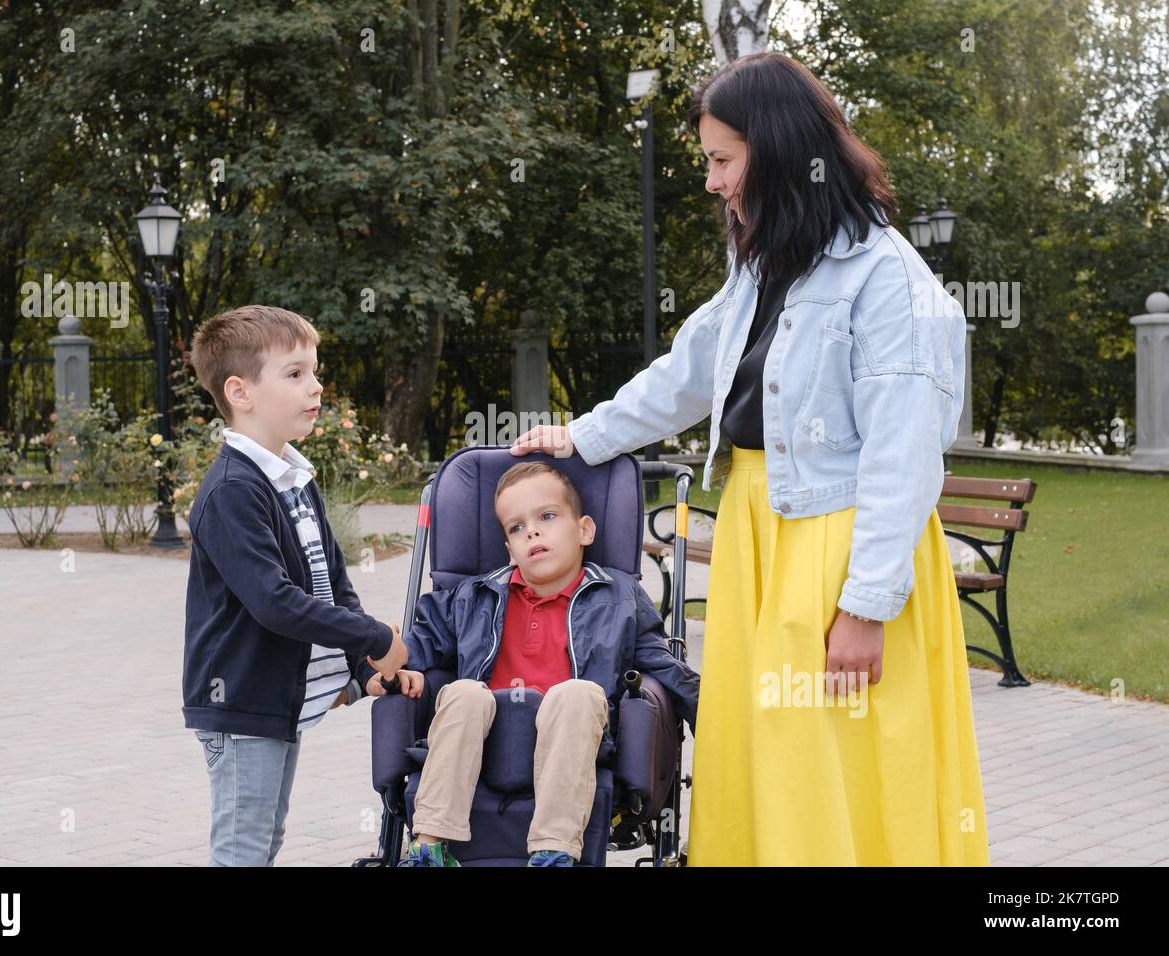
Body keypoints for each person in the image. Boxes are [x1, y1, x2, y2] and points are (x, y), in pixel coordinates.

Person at [512, 53, 989, 866]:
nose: (711, 181)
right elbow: (689, 374)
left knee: (833, 759)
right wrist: (582, 436)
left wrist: (866, 607)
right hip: (760, 535)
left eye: (722, 160)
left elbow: (904, 458)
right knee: (768, 752)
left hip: (839, 551)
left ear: (777, 151)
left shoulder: (889, 284)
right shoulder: (766, 264)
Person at [376, 460, 699, 867]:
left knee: (578, 694)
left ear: (584, 530)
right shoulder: (470, 598)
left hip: (574, 743)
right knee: (461, 692)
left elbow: (662, 664)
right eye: (516, 527)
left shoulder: (619, 596)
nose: (532, 531)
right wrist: (381, 668)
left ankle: (554, 851)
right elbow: (414, 650)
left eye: (547, 516)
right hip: (484, 743)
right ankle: (429, 846)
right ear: (509, 549)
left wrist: (713, 717)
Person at [182, 304, 407, 866]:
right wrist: (377, 637)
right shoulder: (234, 489)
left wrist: (363, 669)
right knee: (244, 850)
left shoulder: (294, 479)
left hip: (272, 698)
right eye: (295, 373)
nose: (316, 386)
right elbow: (274, 602)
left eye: (315, 371)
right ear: (240, 391)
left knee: (264, 841)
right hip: (239, 698)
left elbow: (331, 582)